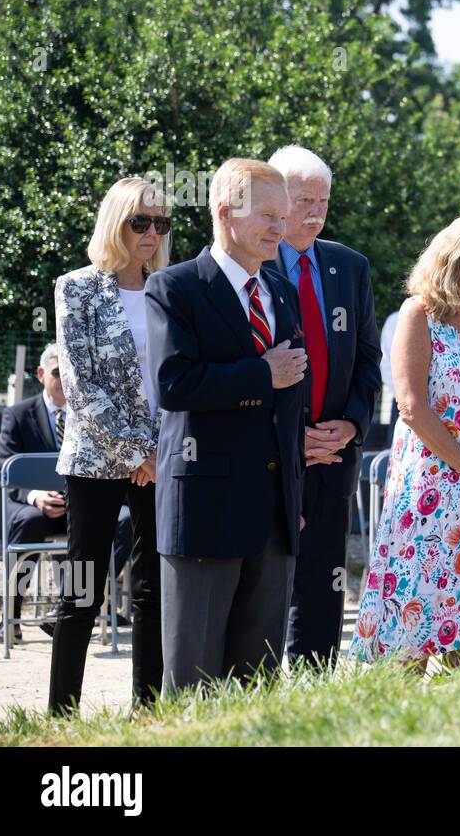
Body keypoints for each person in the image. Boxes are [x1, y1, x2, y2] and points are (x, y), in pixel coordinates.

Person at [146, 158, 309, 695]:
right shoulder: (174, 288)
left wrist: (293, 495)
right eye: (267, 215)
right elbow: (173, 384)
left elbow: (291, 402)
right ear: (224, 211)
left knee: (258, 684)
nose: (280, 229)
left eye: (283, 216)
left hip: (273, 515)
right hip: (204, 512)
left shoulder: (281, 292)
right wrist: (261, 374)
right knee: (192, 682)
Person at [351, 213, 460, 664]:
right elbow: (411, 406)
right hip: (432, 488)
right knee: (415, 625)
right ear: (452, 261)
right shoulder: (419, 314)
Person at [47, 177, 170, 714]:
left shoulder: (172, 290)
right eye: (139, 221)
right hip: (95, 461)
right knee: (79, 593)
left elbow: (177, 379)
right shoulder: (75, 287)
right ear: (114, 222)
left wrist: (156, 451)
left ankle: (147, 714)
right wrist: (136, 451)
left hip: (161, 462)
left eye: (160, 223)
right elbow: (78, 385)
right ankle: (60, 715)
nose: (150, 233)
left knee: (153, 591)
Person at [264, 145, 381, 668]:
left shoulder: (349, 267)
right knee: (265, 577)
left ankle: (314, 681)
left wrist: (351, 425)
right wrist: (292, 437)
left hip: (335, 455)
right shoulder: (251, 267)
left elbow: (367, 358)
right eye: (303, 200)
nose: (314, 212)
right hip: (267, 454)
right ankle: (256, 685)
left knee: (323, 580)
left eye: (323, 202)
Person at [0, 344, 70, 643]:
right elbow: (5, 467)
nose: (63, 379)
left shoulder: (86, 415)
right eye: (56, 373)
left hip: (76, 504)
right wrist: (38, 496)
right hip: (33, 506)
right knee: (30, 522)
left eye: (68, 372)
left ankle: (67, 609)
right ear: (41, 374)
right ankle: (11, 615)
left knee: (118, 521)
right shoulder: (17, 415)